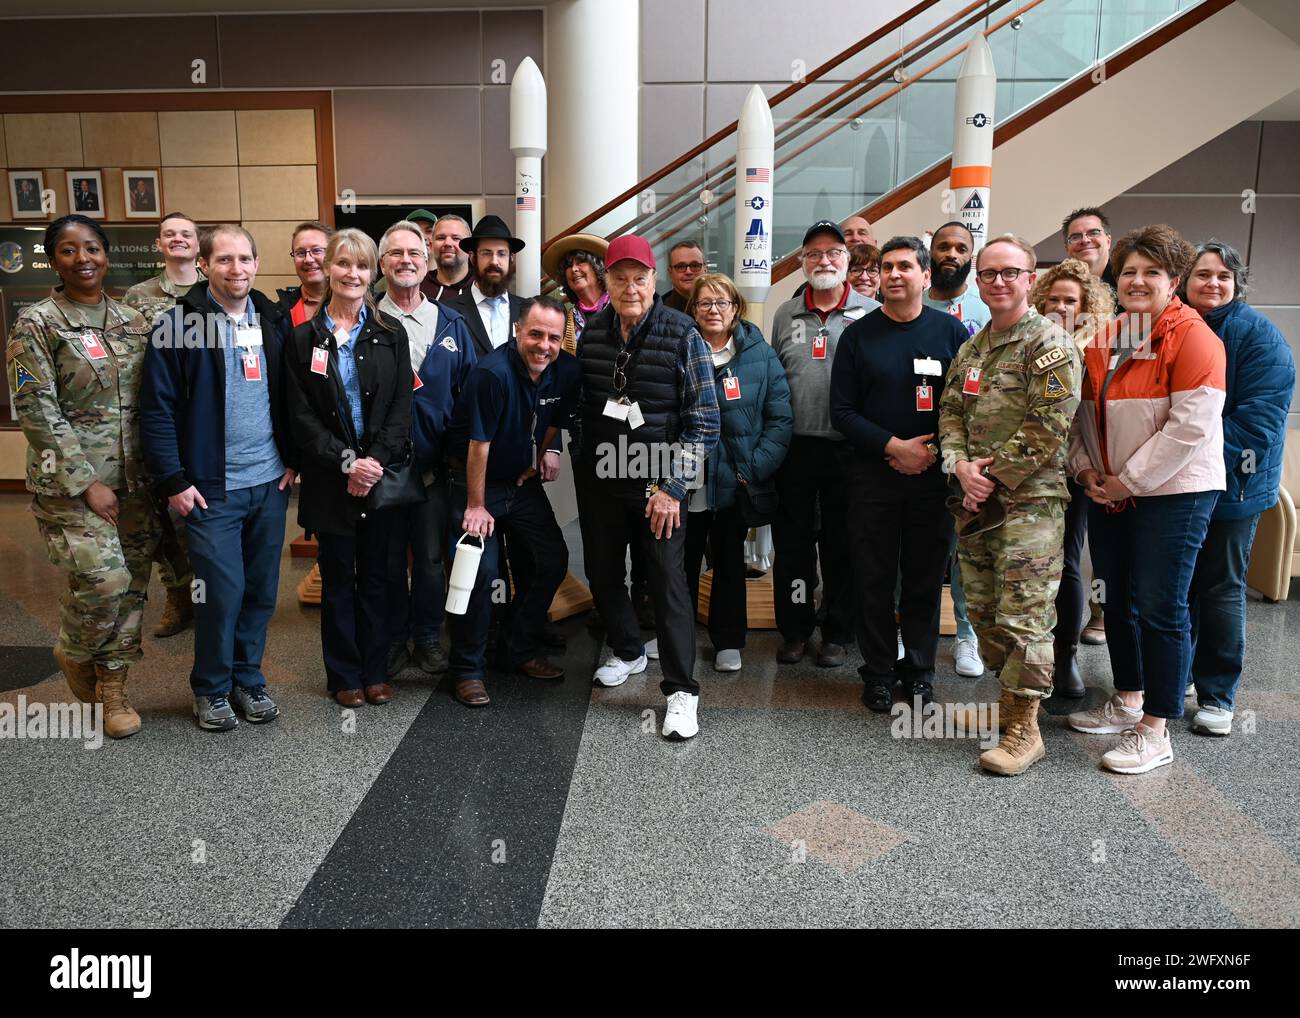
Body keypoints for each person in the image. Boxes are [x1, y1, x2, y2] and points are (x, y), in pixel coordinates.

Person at [1066, 224, 1226, 775]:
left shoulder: (1194, 336)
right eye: (1129, 271)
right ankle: (1129, 697)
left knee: (1161, 605)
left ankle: (1157, 727)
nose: (1137, 280)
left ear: (1173, 279)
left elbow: (1191, 428)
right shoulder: (1110, 335)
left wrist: (1126, 482)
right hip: (1111, 489)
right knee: (1118, 601)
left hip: (1174, 494)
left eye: (1151, 272)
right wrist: (1087, 470)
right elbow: (1082, 415)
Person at [6, 215, 160, 739]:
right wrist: (85, 481)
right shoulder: (38, 323)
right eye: (69, 250)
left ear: (106, 254)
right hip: (72, 484)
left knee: (134, 586)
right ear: (54, 259)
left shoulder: (134, 320)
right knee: (104, 580)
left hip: (137, 479)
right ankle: (75, 651)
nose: (83, 259)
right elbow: (36, 408)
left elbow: (156, 398)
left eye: (92, 248)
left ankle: (112, 690)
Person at [141, 224, 298, 732]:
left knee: (260, 591)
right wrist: (173, 480)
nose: (237, 270)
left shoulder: (272, 319)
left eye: (245, 259)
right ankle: (210, 688)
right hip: (210, 489)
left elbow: (292, 399)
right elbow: (157, 410)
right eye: (225, 260)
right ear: (204, 265)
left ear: (256, 264)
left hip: (269, 482)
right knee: (219, 591)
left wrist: (292, 458)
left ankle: (248, 679)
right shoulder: (178, 325)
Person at [939, 234, 1079, 776]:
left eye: (1010, 272)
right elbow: (950, 412)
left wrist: (988, 476)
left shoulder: (1049, 344)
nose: (999, 281)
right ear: (978, 281)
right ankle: (1010, 705)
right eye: (989, 273)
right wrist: (960, 467)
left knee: (1025, 615)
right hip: (975, 503)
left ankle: (1024, 729)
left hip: (1030, 506)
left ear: (1030, 279)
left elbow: (1048, 425)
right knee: (983, 609)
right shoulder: (972, 348)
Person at [574, 234, 719, 740]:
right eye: (619, 278)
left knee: (668, 584)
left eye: (639, 278)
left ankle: (681, 691)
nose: (630, 287)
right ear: (606, 282)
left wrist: (674, 489)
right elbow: (583, 408)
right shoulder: (592, 331)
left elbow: (705, 421)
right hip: (603, 479)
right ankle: (631, 651)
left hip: (659, 478)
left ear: (654, 281)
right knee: (603, 572)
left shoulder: (683, 334)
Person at [832, 235, 966, 711]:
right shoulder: (857, 336)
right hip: (873, 477)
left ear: (926, 276)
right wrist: (893, 447)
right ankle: (879, 673)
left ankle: (921, 672)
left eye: (904, 266)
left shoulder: (952, 335)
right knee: (873, 578)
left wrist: (927, 452)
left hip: (934, 480)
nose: (892, 274)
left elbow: (965, 406)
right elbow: (842, 412)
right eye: (886, 266)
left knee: (925, 581)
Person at [283, 228, 413, 708]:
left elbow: (402, 407)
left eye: (361, 265)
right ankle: (344, 675)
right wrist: (346, 464)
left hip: (380, 479)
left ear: (372, 272)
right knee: (337, 581)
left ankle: (375, 669)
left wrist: (373, 462)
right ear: (328, 269)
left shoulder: (390, 334)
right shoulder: (301, 338)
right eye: (343, 264)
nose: (352, 274)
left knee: (379, 578)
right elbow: (299, 416)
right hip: (330, 480)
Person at [1181, 240, 1294, 735]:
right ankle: (1178, 675)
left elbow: (1258, 427)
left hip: (1235, 486)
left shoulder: (1259, 337)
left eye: (1223, 276)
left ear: (1237, 284)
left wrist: (1187, 459)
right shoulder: (1165, 328)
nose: (1213, 283)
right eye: (1203, 274)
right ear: (1184, 282)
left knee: (1221, 587)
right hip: (1174, 485)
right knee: (1177, 587)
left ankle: (1218, 696)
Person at [444, 296, 575, 706]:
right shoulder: (492, 375)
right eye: (535, 334)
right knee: (478, 574)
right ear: (517, 331)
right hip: (473, 482)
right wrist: (477, 506)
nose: (544, 345)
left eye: (553, 338)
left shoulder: (565, 370)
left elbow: (554, 420)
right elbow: (477, 447)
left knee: (551, 559)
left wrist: (538, 458)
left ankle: (516, 648)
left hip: (520, 482)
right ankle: (467, 669)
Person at [770, 220, 878, 668]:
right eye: (814, 254)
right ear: (803, 263)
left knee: (842, 546)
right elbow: (774, 381)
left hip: (850, 450)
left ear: (848, 259)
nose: (824, 260)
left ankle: (836, 630)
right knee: (793, 546)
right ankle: (795, 631)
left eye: (833, 252)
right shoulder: (785, 313)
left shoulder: (872, 312)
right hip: (795, 448)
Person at [377, 220, 477, 681]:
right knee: (389, 560)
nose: (405, 261)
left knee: (433, 560)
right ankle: (393, 641)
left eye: (414, 253)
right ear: (382, 264)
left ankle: (428, 637)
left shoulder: (451, 322)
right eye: (395, 254)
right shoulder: (365, 321)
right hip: (381, 471)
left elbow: (469, 397)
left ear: (428, 261)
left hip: (436, 471)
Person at [684, 272, 792, 671]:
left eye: (721, 303)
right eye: (704, 303)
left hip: (734, 482)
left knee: (728, 561)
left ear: (735, 309)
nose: (713, 310)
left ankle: (728, 640)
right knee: (678, 563)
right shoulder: (682, 349)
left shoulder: (760, 355)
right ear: (692, 309)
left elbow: (780, 419)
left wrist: (750, 470)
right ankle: (673, 632)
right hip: (685, 480)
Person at [1028, 258, 1114, 697]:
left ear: (1086, 307)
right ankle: (1027, 661)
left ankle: (1066, 658)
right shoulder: (1028, 340)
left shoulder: (1096, 348)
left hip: (1072, 470)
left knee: (1066, 563)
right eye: (1053, 299)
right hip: (1025, 471)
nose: (1060, 306)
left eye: (1070, 301)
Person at [122, 211, 202, 639]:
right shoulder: (138, 296)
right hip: (156, 415)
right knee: (160, 516)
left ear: (197, 244)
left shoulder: (213, 290)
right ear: (158, 244)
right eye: (169, 235)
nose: (177, 240)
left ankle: (206, 596)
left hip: (201, 422)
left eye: (185, 235)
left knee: (197, 518)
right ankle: (177, 594)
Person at [923, 221, 993, 679]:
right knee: (922, 549)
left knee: (967, 548)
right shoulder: (913, 301)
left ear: (972, 256)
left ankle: (967, 635)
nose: (951, 253)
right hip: (918, 446)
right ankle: (912, 629)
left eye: (960, 247)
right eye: (943, 246)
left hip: (972, 450)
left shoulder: (986, 308)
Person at [1061, 206, 1115, 646]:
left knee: (1102, 546)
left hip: (1103, 447)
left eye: (1093, 233)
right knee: (1067, 551)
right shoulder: (1057, 300)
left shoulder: (1124, 306)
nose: (1085, 241)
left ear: (1108, 240)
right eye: (1076, 236)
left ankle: (1100, 615)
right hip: (1056, 454)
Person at [444, 215, 526, 358]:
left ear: (511, 259)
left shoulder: (527, 310)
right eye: (486, 253)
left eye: (502, 254)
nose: (494, 262)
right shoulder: (448, 312)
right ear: (472, 257)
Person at [277, 221, 333, 327]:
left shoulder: (356, 304)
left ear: (333, 254)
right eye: (300, 253)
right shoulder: (280, 313)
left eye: (316, 250)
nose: (308, 259)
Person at [423, 212, 474, 302]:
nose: (448, 243)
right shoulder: (418, 289)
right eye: (441, 238)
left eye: (456, 238)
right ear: (431, 246)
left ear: (469, 247)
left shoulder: (482, 287)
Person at [661, 240, 706, 312]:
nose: (688, 272)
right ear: (670, 273)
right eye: (681, 267)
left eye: (694, 265)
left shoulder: (722, 307)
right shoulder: (658, 313)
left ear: (705, 269)